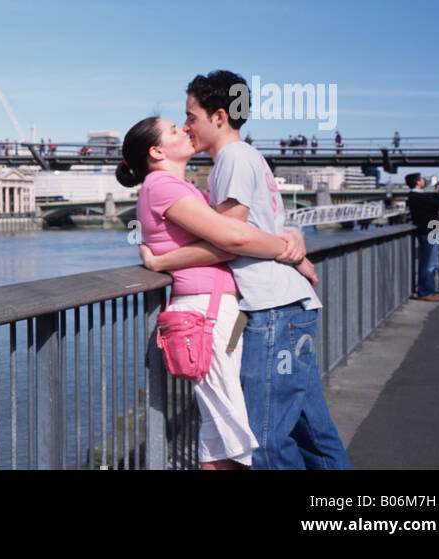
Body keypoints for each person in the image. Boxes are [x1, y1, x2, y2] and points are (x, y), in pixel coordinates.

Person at [182, 70, 350, 470]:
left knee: (265, 437)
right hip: (292, 304)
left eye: (192, 116)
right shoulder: (252, 156)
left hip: (272, 308)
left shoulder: (233, 158)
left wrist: (163, 257)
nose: (187, 125)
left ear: (219, 116)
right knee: (312, 431)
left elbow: (230, 233)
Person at [119, 116, 308, 470]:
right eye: (175, 130)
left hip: (224, 311)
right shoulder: (160, 185)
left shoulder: (181, 186)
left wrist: (292, 238)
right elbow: (228, 244)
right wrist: (286, 247)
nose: (186, 130)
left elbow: (226, 242)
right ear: (157, 151)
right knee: (231, 419)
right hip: (207, 312)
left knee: (223, 423)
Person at [405, 172, 439, 301]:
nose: (423, 180)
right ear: (418, 182)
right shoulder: (416, 196)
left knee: (432, 261)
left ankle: (430, 290)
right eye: (422, 179)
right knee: (429, 262)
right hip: (430, 230)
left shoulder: (418, 196)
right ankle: (426, 292)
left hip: (433, 228)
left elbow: (433, 201)